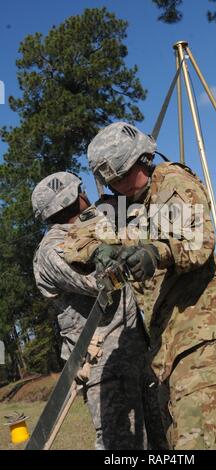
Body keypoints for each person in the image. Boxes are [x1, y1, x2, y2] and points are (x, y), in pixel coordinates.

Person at [64, 122, 216, 450]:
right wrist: (98, 250)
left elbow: (198, 240)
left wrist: (155, 252)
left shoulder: (172, 183)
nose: (115, 185)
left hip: (206, 344)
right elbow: (75, 236)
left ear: (141, 162)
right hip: (168, 355)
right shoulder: (124, 206)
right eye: (109, 180)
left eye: (119, 176)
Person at [31, 171, 166, 450]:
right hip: (105, 367)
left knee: (161, 443)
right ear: (76, 196)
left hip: (138, 354)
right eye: (82, 191)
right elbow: (105, 280)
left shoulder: (94, 228)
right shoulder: (52, 249)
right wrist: (121, 229)